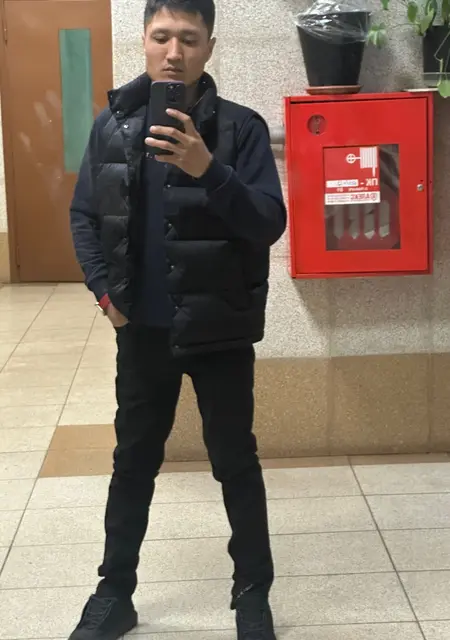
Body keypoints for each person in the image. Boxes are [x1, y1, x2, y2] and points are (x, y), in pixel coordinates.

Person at [69, 0, 286, 638]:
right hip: (142, 330)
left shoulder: (242, 129)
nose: (173, 51)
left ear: (209, 47)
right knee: (132, 462)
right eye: (161, 36)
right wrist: (105, 295)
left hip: (221, 330)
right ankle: (114, 594)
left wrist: (208, 170)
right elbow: (84, 215)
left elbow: (267, 223)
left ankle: (252, 595)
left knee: (235, 461)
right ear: (143, 40)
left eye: (188, 39)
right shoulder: (113, 125)